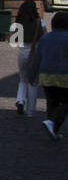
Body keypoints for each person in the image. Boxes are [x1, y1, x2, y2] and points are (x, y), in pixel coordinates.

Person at [25, 11, 68, 140]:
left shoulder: (45, 38)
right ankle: (52, 123)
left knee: (52, 102)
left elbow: (37, 58)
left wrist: (32, 75)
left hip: (46, 75)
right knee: (66, 102)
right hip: (64, 75)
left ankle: (52, 129)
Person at [14, 0, 44, 116]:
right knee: (33, 81)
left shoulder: (19, 22)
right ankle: (30, 111)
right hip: (35, 52)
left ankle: (20, 100)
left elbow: (14, 39)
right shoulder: (39, 22)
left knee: (22, 78)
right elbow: (44, 38)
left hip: (22, 52)